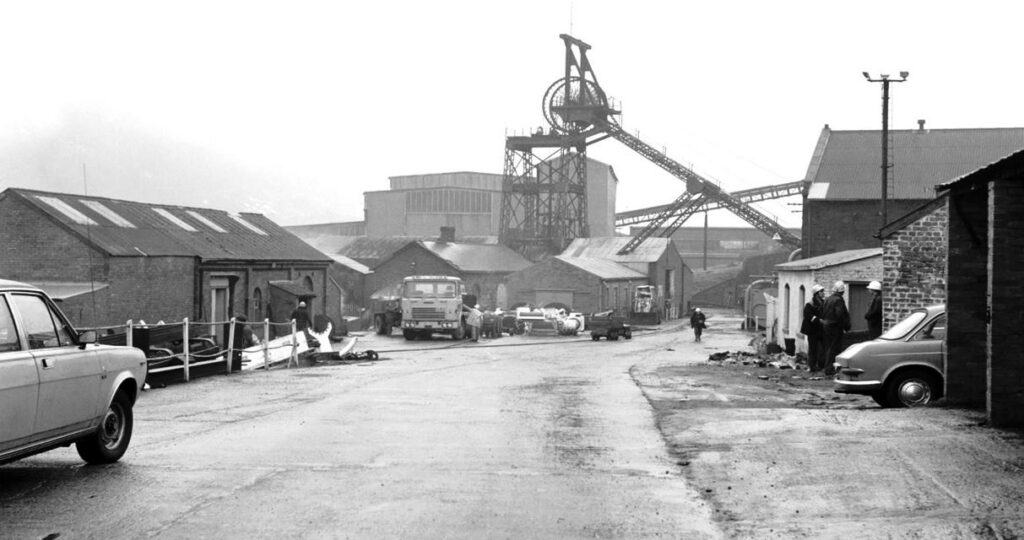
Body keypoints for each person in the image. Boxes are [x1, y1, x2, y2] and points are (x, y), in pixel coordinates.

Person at [819, 281, 851, 376]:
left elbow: (822, 312)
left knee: (829, 347)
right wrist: (845, 326)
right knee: (834, 348)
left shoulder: (828, 299)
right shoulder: (838, 300)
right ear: (841, 291)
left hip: (827, 326)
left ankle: (828, 367)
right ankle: (830, 369)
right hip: (835, 327)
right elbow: (840, 315)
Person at [800, 284, 826, 372]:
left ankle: (821, 365)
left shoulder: (823, 302)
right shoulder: (810, 304)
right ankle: (812, 366)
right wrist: (818, 320)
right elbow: (807, 315)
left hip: (820, 330)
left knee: (822, 348)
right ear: (817, 293)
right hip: (812, 330)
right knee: (813, 348)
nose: (823, 293)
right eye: (821, 292)